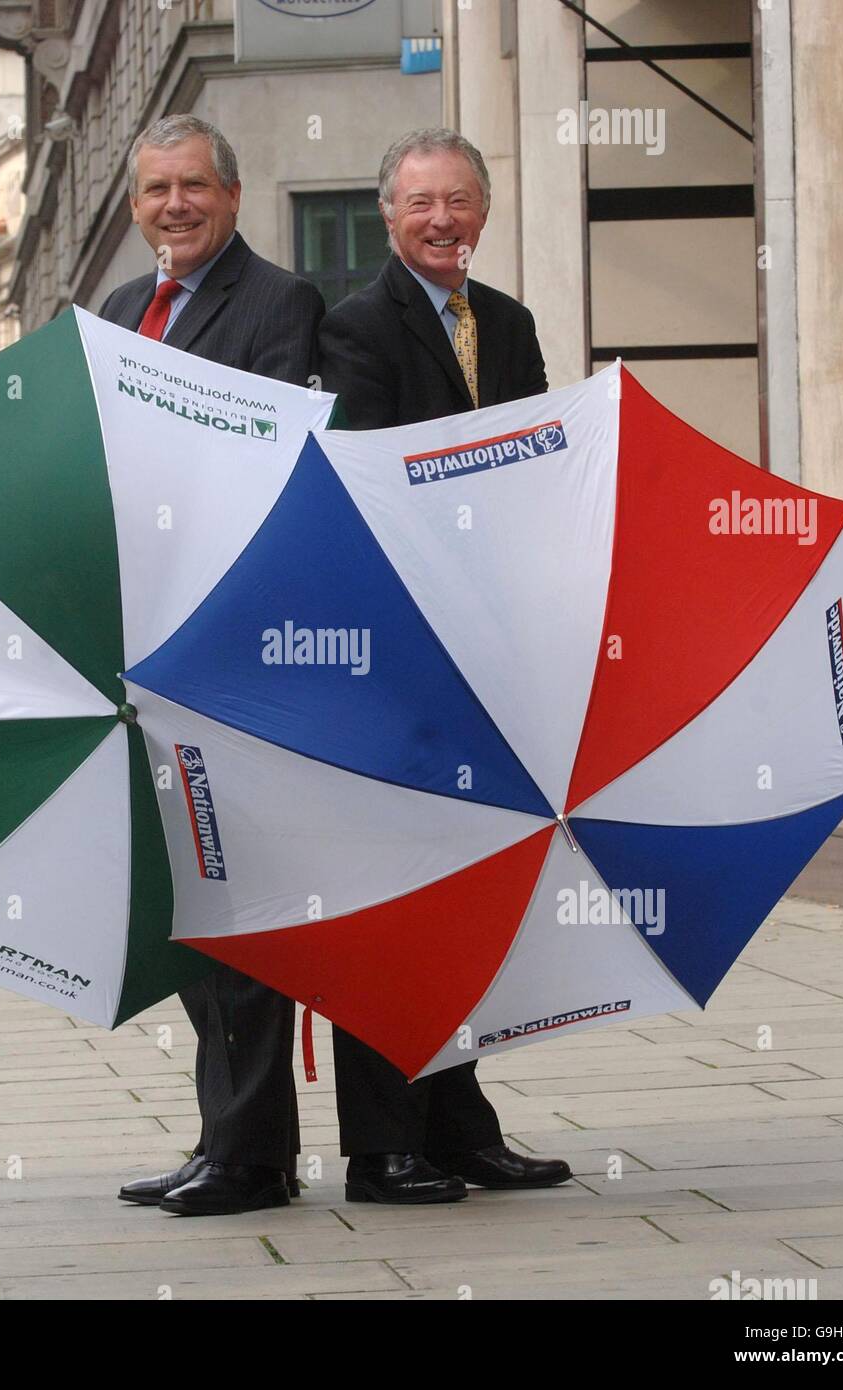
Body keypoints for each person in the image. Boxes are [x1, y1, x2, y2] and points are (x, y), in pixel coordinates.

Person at [318, 128, 574, 1205]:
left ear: (482, 210)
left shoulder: (504, 323)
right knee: (388, 896)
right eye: (420, 202)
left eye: (458, 201)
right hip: (394, 653)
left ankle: (459, 1124)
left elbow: (548, 450)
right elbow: (372, 477)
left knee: (465, 892)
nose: (440, 220)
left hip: (489, 650)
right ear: (389, 215)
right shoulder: (352, 327)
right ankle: (380, 1145)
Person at [105, 113, 325, 1217]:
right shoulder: (118, 311)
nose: (175, 205)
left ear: (232, 197)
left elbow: (272, 455)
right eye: (156, 191)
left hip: (237, 645)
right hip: (150, 648)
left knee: (235, 904)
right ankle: (224, 1138)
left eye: (193, 187)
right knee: (191, 906)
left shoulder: (281, 304)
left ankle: (252, 1159)